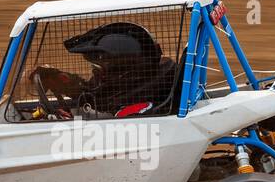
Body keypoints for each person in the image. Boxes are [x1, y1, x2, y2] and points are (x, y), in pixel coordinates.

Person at [29, 22, 176, 117]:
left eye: (99, 69)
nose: (95, 73)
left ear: (122, 69)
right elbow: (96, 95)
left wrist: (68, 121)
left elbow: (102, 130)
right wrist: (63, 81)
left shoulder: (136, 107)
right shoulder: (131, 87)